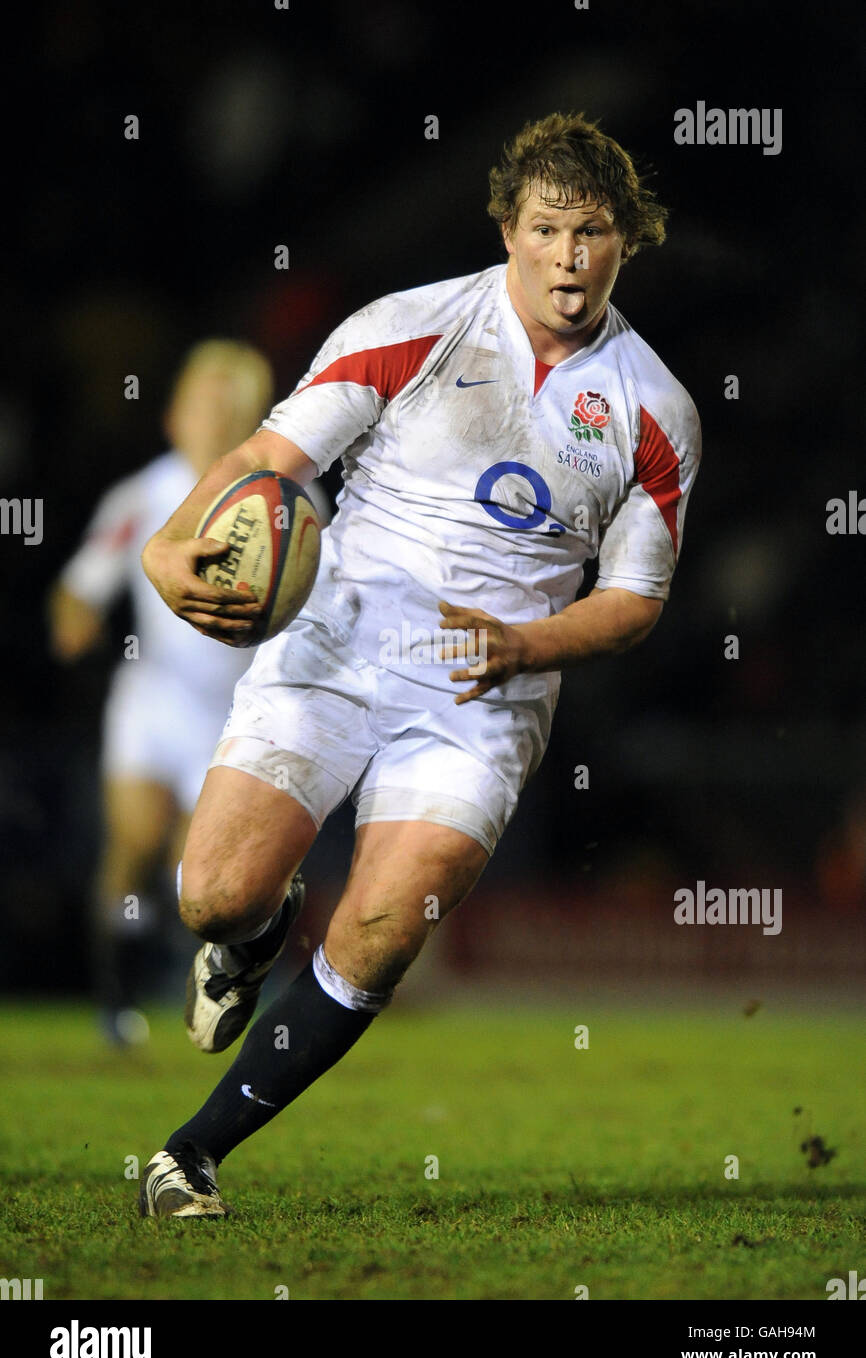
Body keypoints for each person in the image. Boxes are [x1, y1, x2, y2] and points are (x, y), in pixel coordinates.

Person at [136, 111, 701, 1217]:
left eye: (592, 233)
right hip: (336, 638)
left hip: (482, 695)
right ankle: (253, 932)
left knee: (383, 931)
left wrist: (526, 644)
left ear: (624, 239)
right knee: (208, 894)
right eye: (547, 229)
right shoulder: (407, 327)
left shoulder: (656, 411)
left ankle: (192, 1155)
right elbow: (267, 458)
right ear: (507, 230)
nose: (569, 258)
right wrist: (167, 546)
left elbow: (633, 602)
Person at [49, 340, 328, 1044]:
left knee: (195, 870)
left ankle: (197, 984)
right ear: (176, 414)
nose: (214, 417)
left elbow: (335, 598)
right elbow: (83, 583)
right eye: (205, 401)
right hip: (154, 699)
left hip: (241, 710)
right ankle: (116, 999)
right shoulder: (145, 494)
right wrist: (75, 618)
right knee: (135, 843)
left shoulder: (293, 498)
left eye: (231, 405)